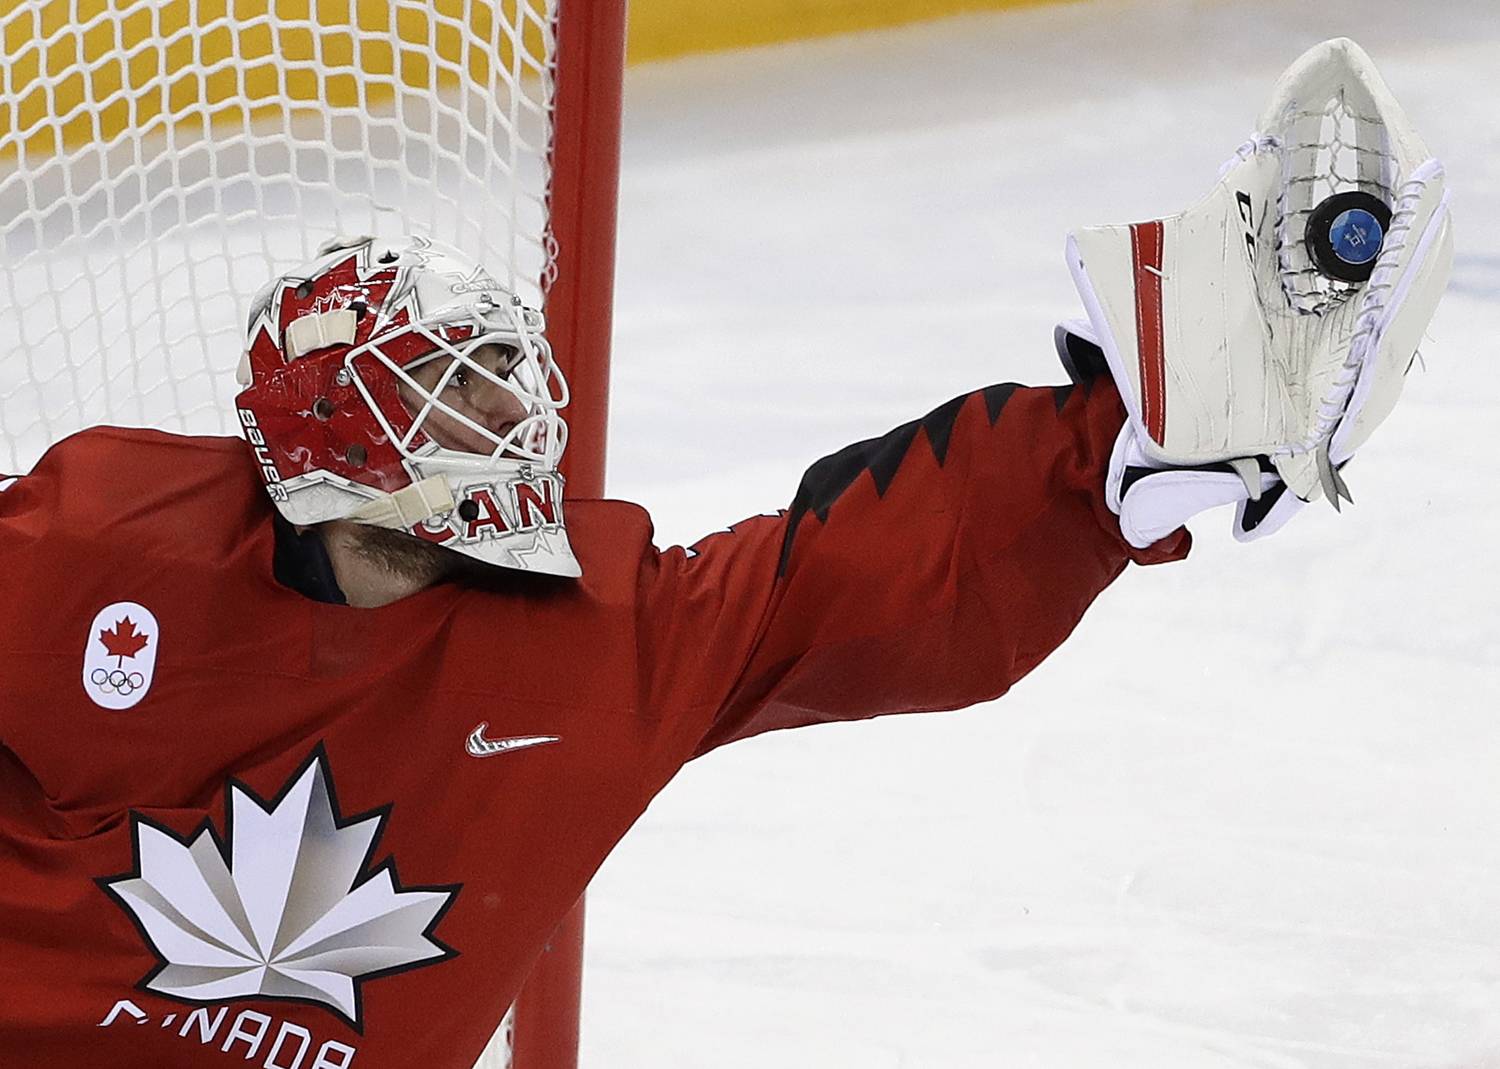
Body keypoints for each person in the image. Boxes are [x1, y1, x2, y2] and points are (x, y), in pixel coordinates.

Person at [0, 38, 1451, 1069]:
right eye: (445, 388)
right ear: (329, 445)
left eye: (497, 374)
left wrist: (1111, 452)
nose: (507, 413)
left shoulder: (581, 641)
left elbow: (838, 579)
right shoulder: (95, 548)